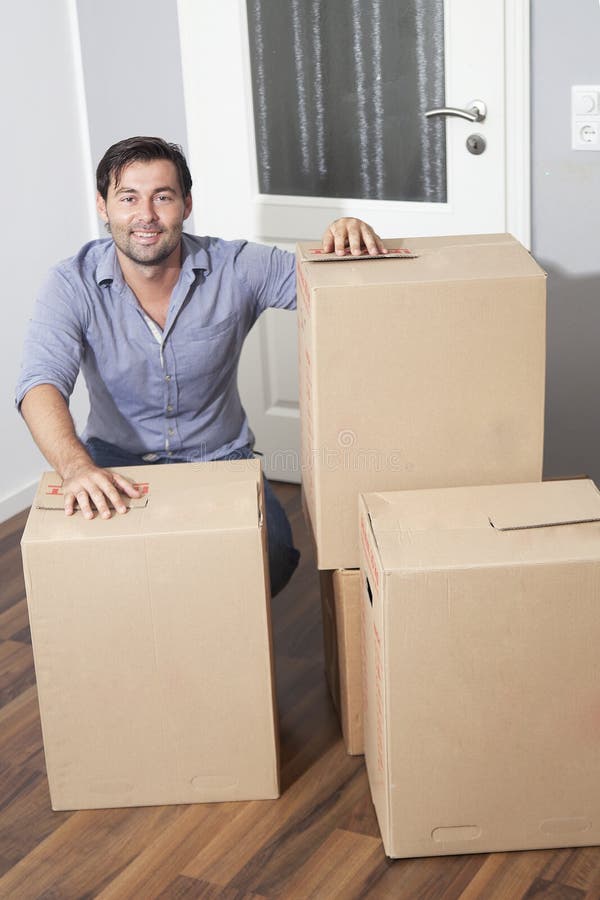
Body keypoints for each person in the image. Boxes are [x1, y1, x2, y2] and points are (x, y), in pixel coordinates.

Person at [15, 136, 385, 595]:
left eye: (163, 197)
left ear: (187, 205)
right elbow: (40, 382)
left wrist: (346, 233)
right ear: (103, 207)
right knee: (99, 575)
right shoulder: (71, 282)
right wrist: (76, 468)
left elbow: (333, 284)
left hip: (219, 457)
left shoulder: (235, 266)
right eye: (128, 198)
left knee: (270, 552)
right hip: (116, 459)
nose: (146, 215)